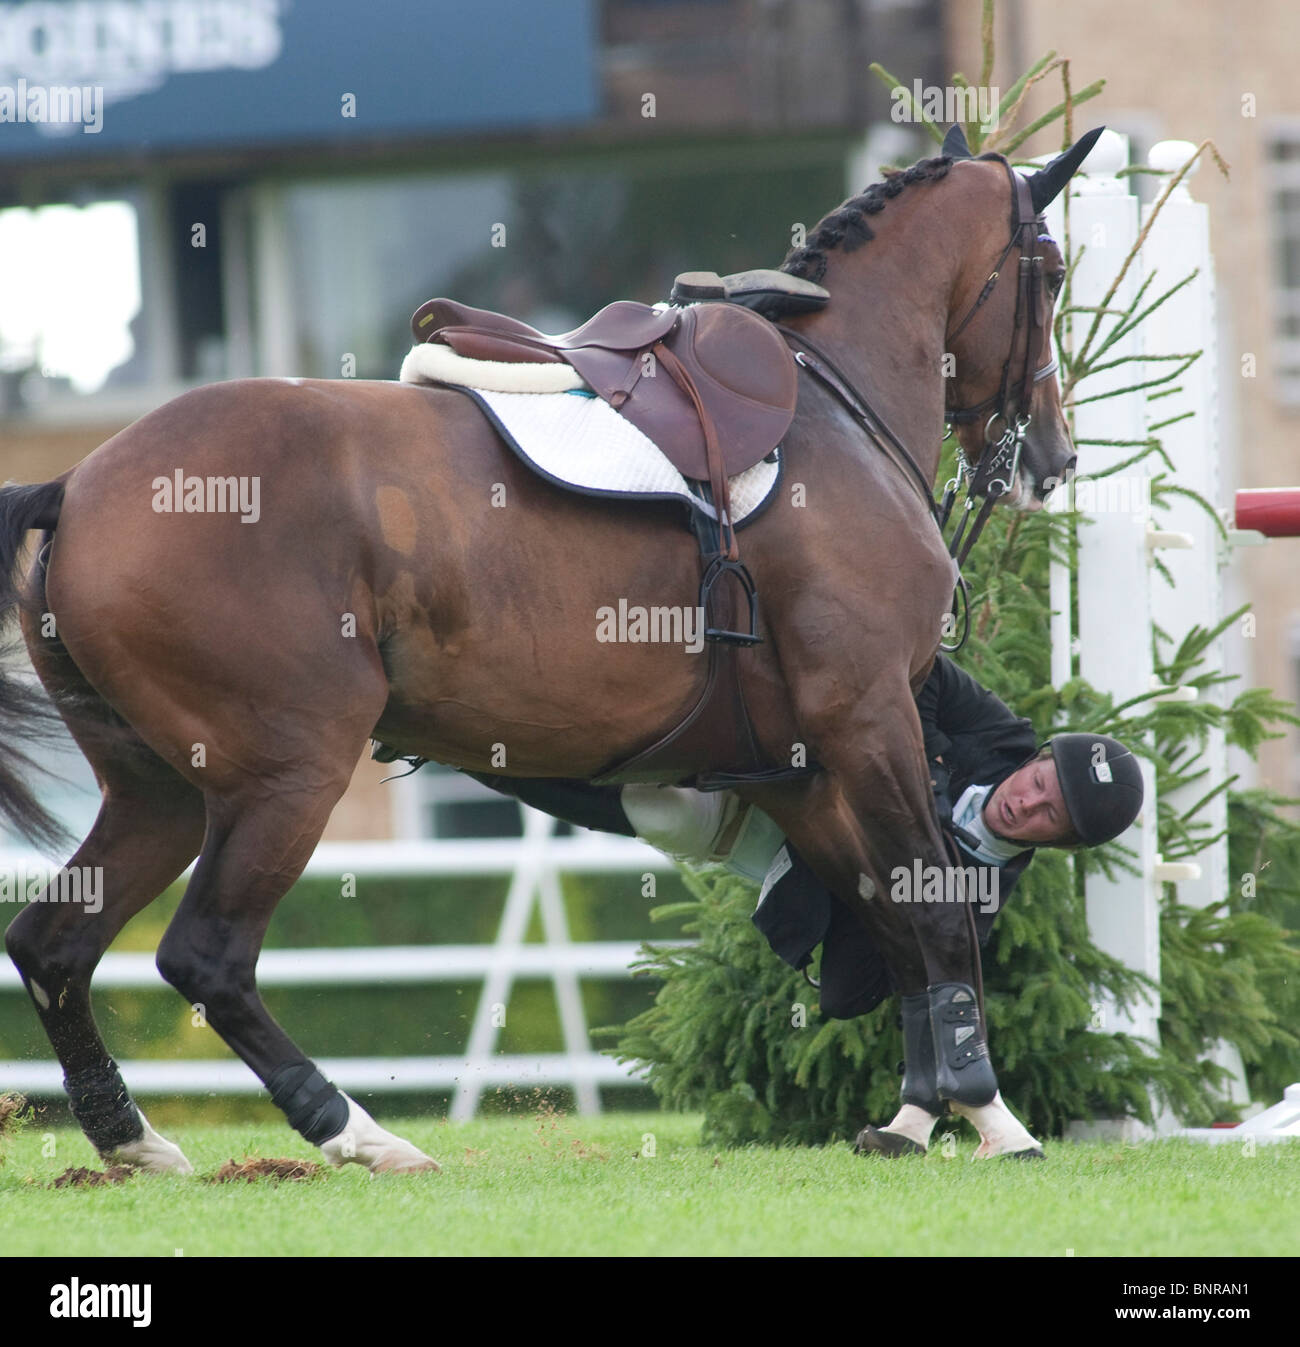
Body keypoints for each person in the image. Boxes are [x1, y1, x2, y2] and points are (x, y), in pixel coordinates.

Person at [455, 654, 1145, 1157]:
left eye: (1049, 812)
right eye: (1041, 778)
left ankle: (467, 753)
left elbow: (848, 991)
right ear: (1039, 756)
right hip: (769, 738)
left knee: (646, 805)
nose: (1026, 798)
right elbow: (919, 672)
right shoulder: (1000, 736)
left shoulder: (973, 900)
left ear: (1059, 843)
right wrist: (915, 807)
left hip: (747, 827)